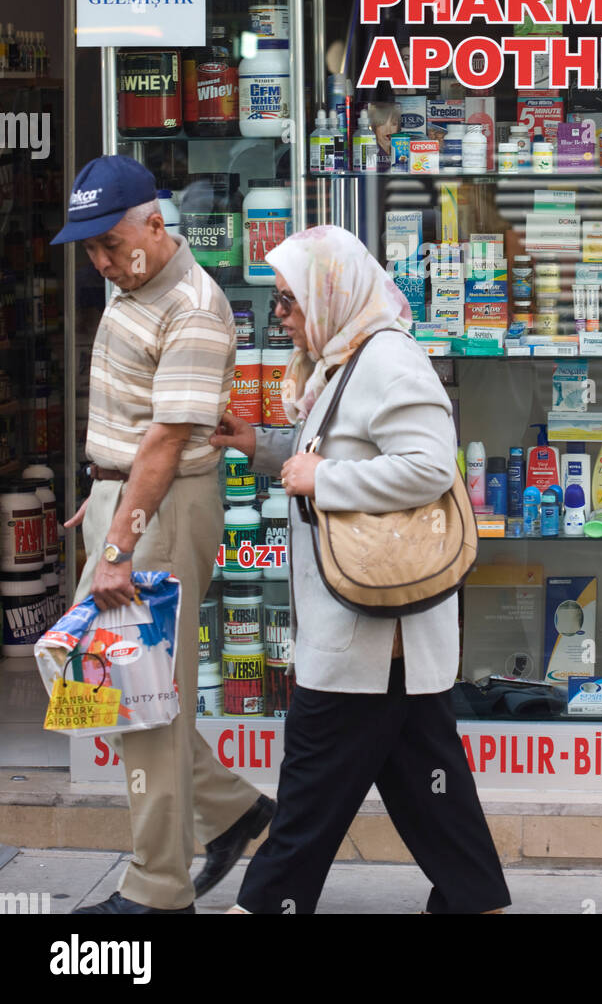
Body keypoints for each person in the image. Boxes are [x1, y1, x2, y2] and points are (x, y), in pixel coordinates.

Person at [210, 225, 510, 915]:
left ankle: (263, 906)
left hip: (369, 634)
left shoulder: (388, 360)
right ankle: (476, 899)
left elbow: (431, 466)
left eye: (288, 300)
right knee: (425, 779)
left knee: (312, 784)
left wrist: (327, 479)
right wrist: (259, 445)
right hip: (379, 633)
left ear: (330, 291)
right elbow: (335, 448)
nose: (280, 315)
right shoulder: (345, 357)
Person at [54, 156, 275, 915]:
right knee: (108, 686)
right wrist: (106, 489)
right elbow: (132, 434)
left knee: (137, 702)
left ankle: (157, 894)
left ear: (157, 223)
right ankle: (234, 810)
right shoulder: (136, 281)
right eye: (88, 249)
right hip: (130, 501)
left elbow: (166, 440)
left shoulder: (193, 306)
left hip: (163, 511)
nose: (100, 261)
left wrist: (122, 538)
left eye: (109, 243)